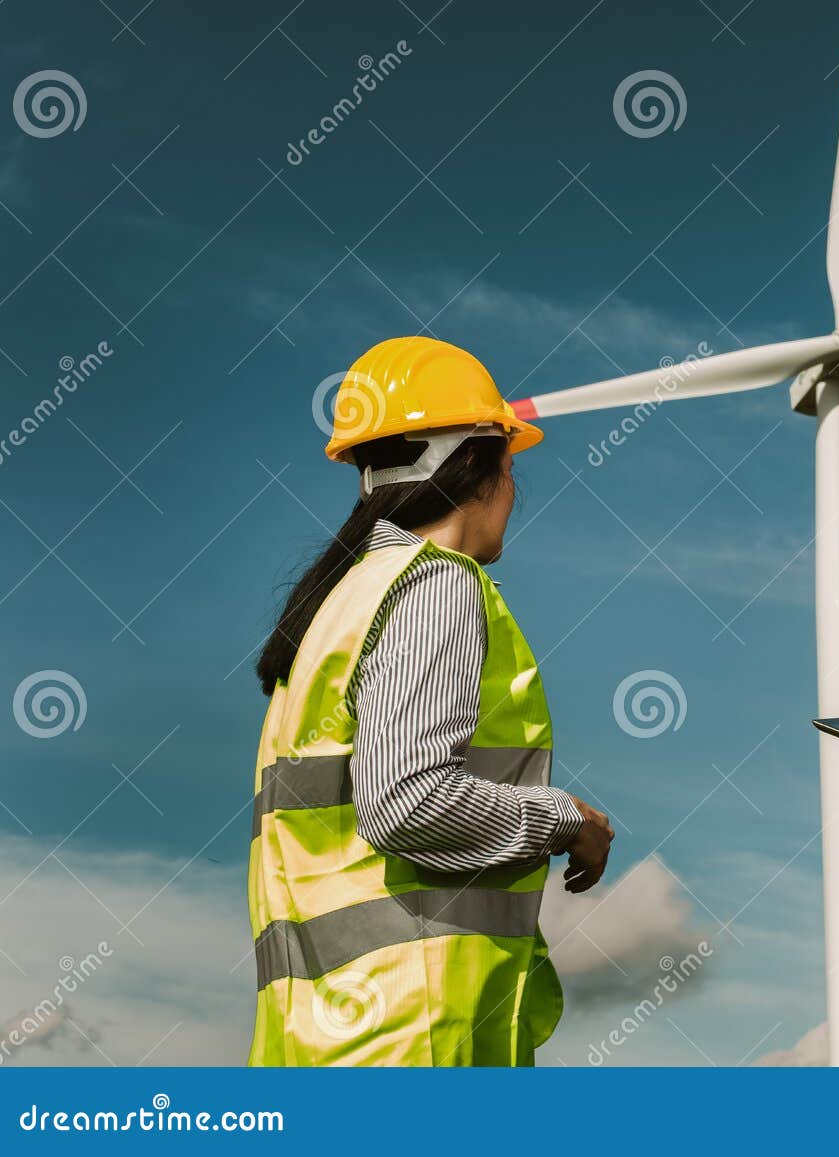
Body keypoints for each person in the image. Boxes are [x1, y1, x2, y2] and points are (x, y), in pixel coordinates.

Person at [248, 336, 613, 1066]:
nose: (512, 491)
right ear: (476, 465)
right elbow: (405, 803)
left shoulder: (334, 611)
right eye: (510, 467)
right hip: (413, 1037)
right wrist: (564, 818)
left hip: (323, 1043)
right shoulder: (434, 585)